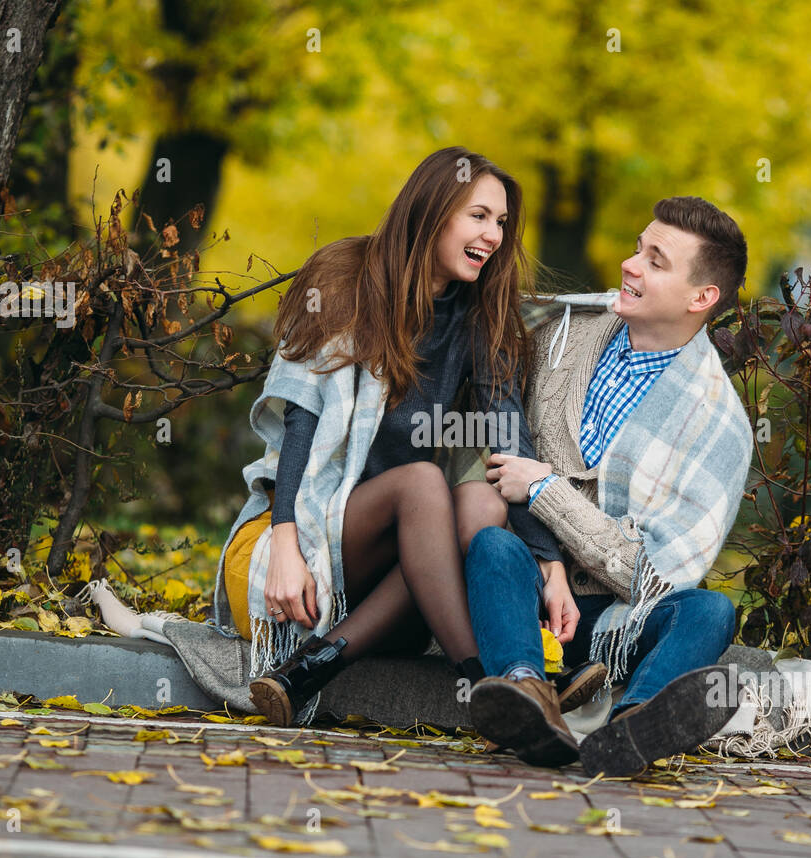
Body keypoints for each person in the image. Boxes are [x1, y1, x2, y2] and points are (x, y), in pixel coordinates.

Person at [192, 146, 603, 727]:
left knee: (481, 498)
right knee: (421, 484)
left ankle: (312, 666)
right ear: (433, 210)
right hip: (295, 551)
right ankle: (494, 682)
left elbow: (511, 451)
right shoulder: (344, 278)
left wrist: (549, 562)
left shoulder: (482, 315)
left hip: (394, 585)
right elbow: (300, 423)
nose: (493, 235)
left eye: (502, 223)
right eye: (478, 216)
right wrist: (283, 537)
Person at [465, 195, 755, 777]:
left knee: (710, 612)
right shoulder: (563, 336)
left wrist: (547, 489)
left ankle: (635, 722)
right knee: (491, 549)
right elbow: (503, 450)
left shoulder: (717, 424)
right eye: (636, 248)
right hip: (526, 587)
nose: (629, 264)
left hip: (613, 619)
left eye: (655, 260)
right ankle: (527, 697)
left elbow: (652, 577)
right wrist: (548, 564)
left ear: (703, 298)